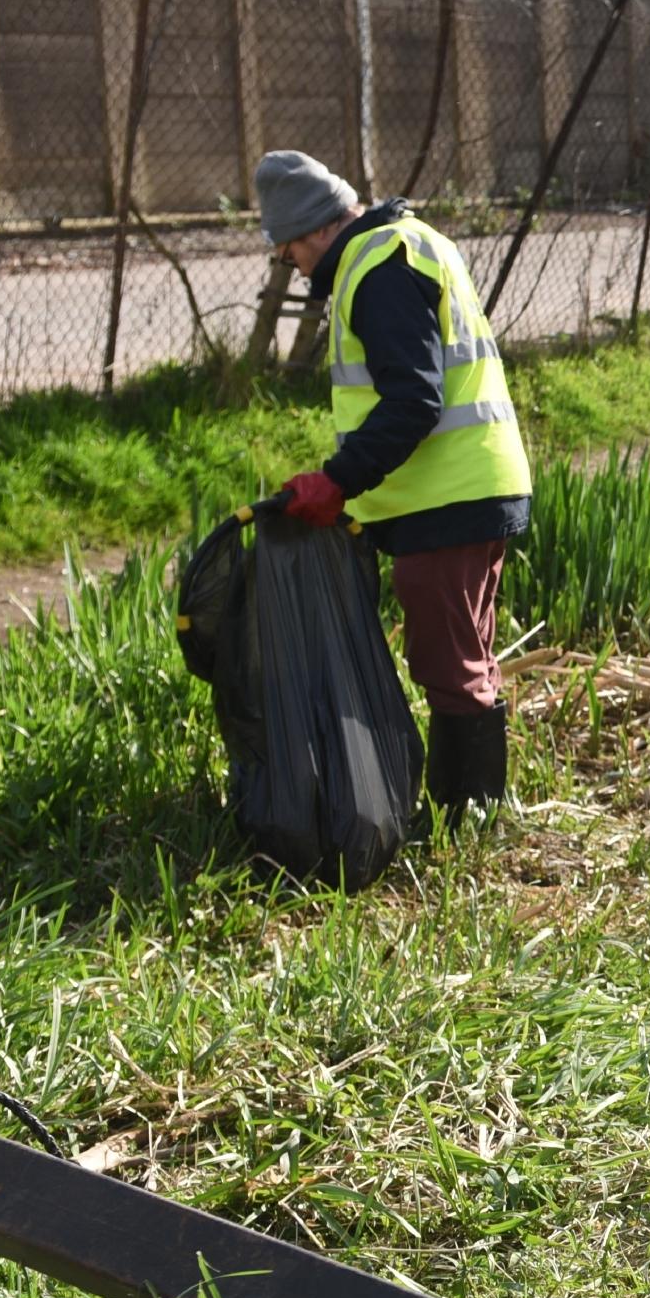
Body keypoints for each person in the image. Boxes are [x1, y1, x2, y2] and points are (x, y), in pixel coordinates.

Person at [257, 149, 533, 824]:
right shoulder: (409, 243)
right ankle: (476, 814)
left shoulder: (376, 266)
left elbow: (413, 400)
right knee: (466, 658)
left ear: (314, 230)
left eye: (288, 250)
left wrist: (338, 481)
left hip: (448, 500)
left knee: (448, 665)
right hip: (470, 488)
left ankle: (462, 822)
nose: (292, 266)